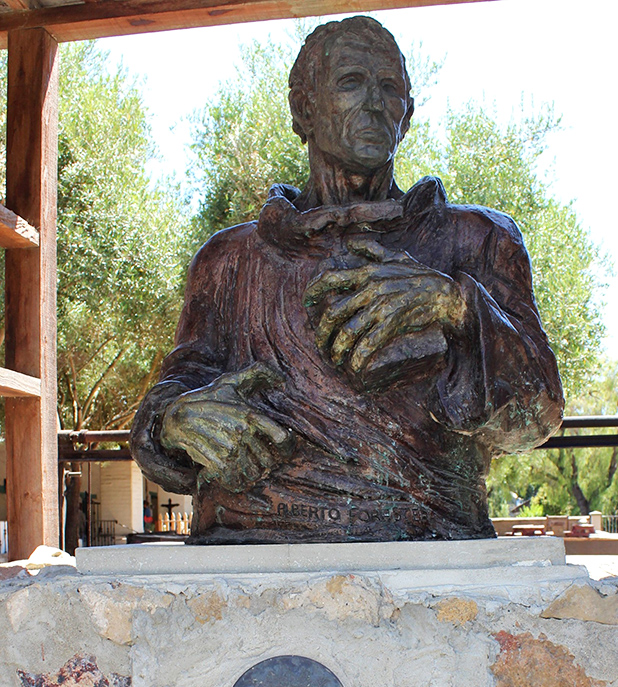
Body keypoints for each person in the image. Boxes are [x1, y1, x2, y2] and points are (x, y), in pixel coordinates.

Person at [130, 16, 563, 544]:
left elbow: (537, 414)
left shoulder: (476, 241)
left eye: (390, 88)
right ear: (303, 109)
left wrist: (457, 307)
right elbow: (170, 398)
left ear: (407, 116)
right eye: (351, 82)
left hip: (426, 548)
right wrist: (174, 421)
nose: (375, 102)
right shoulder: (230, 260)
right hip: (250, 549)